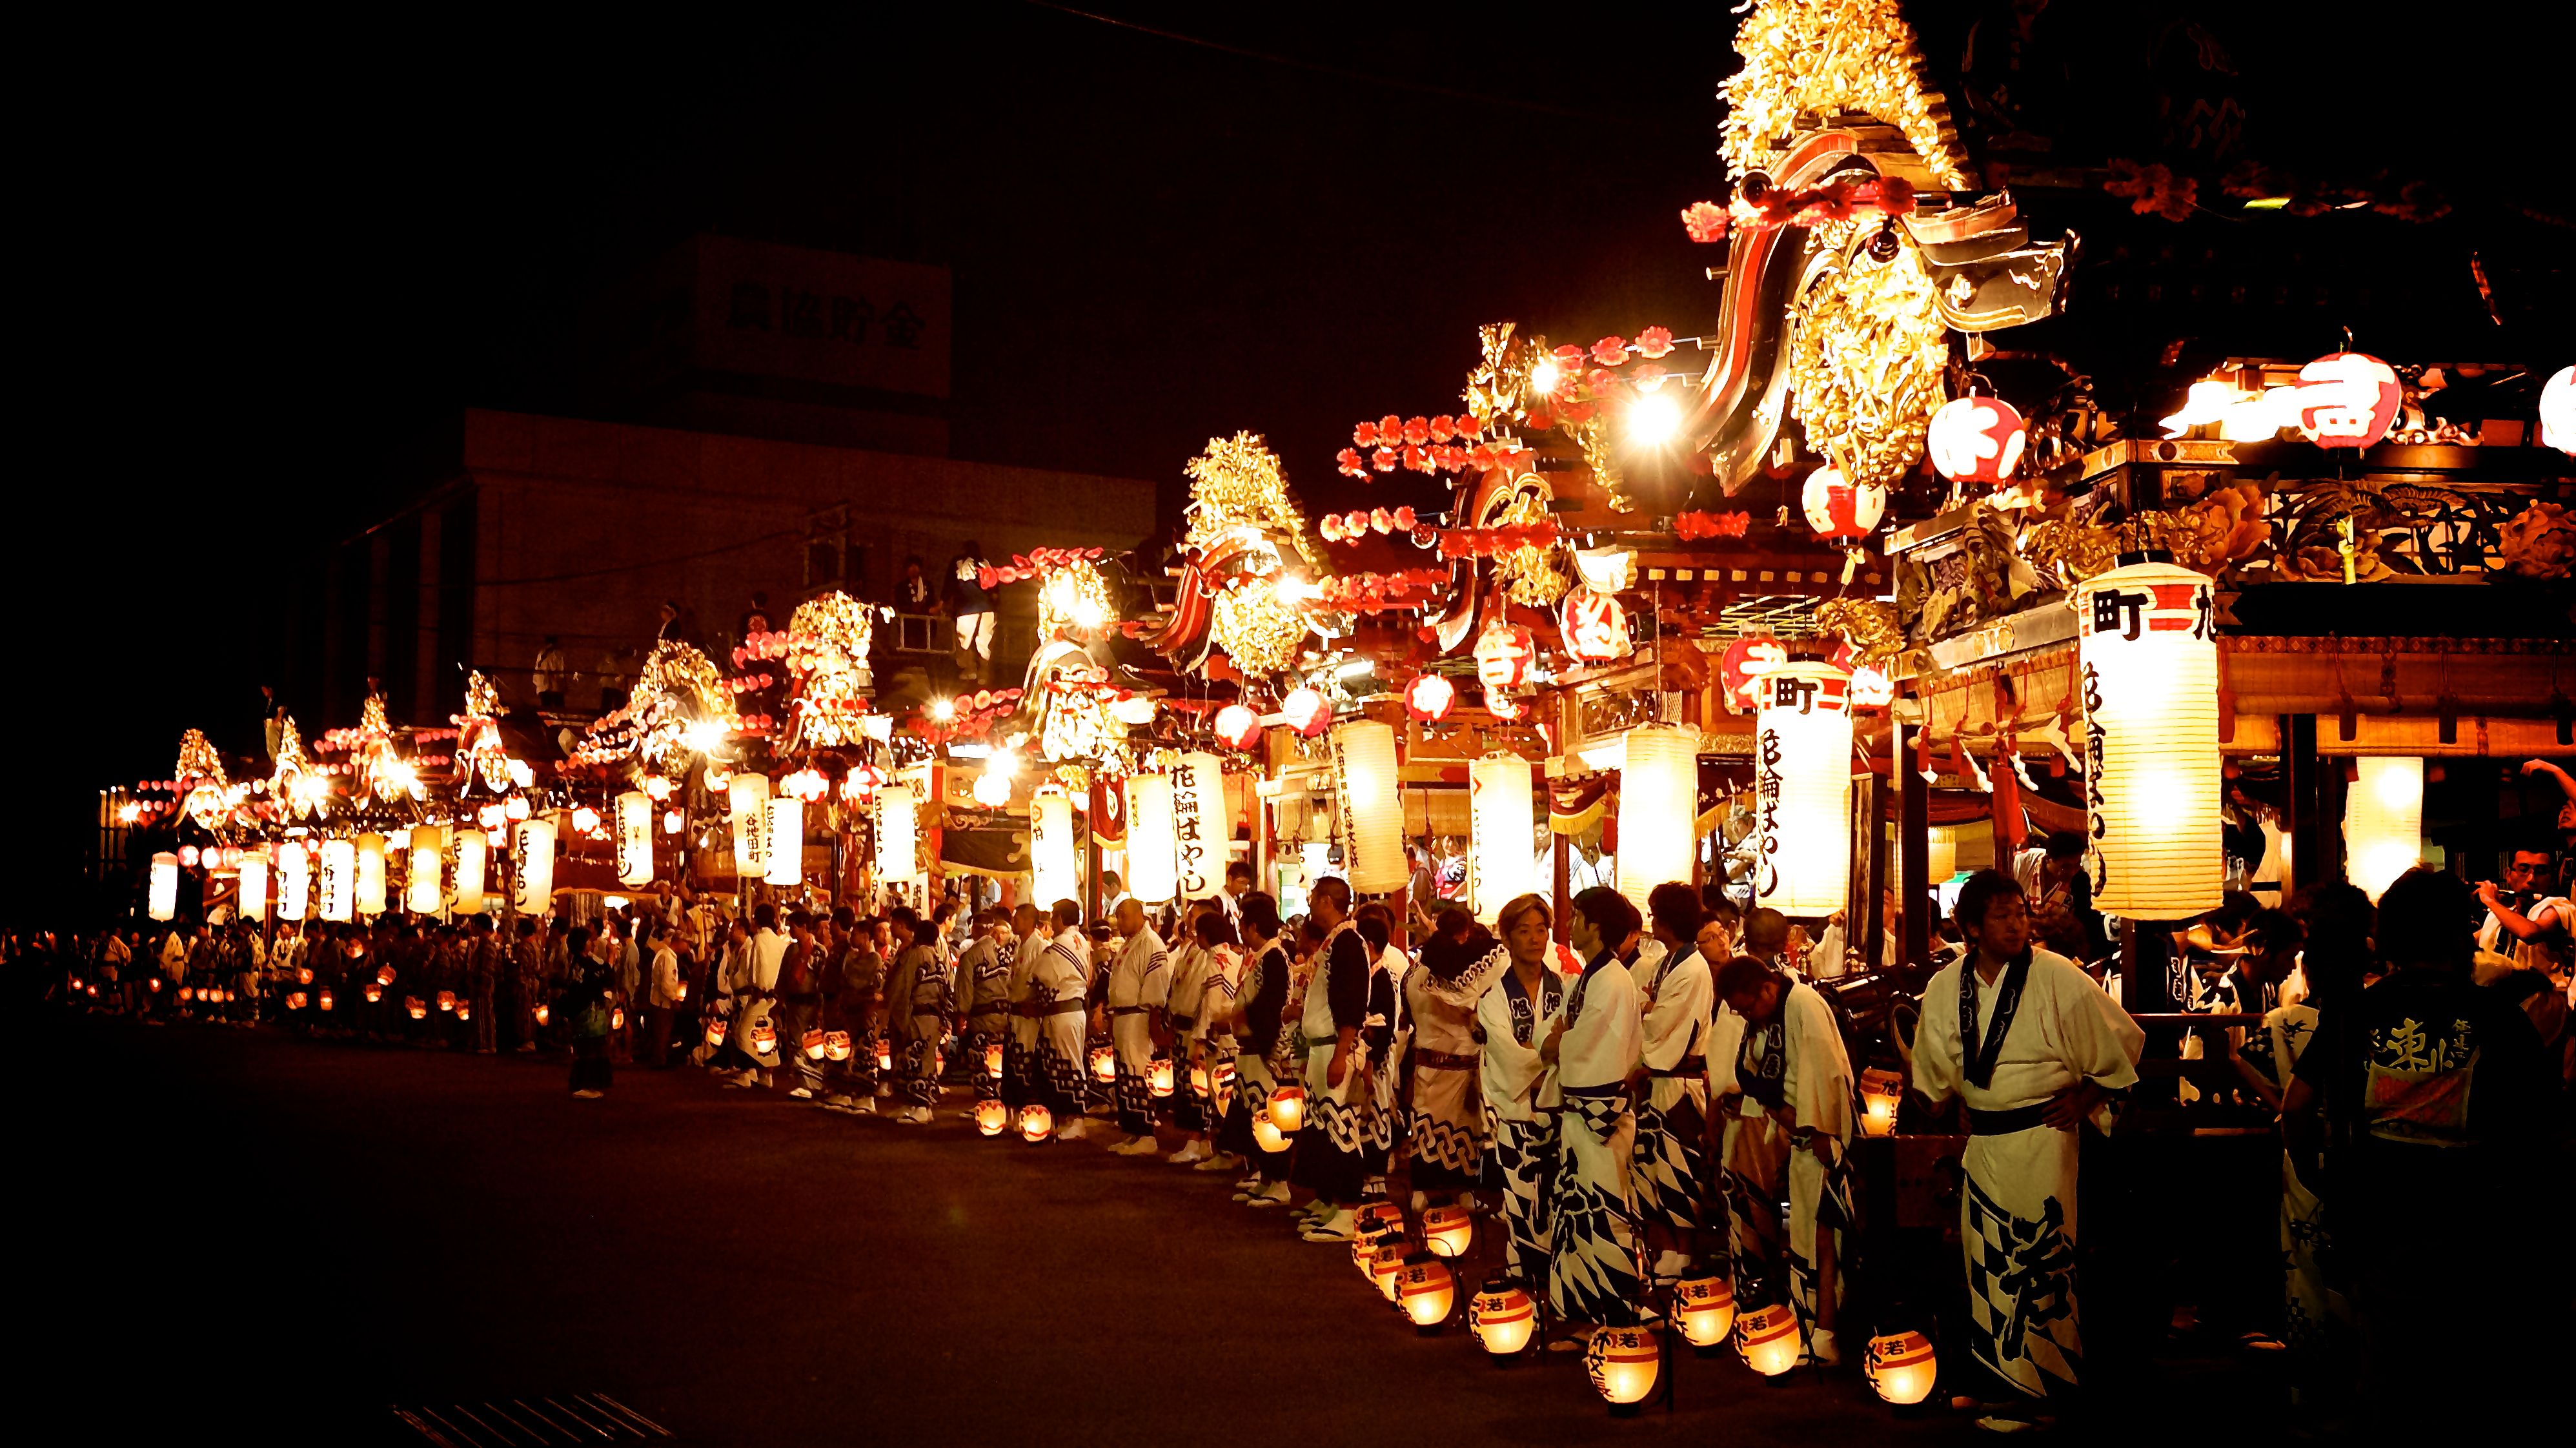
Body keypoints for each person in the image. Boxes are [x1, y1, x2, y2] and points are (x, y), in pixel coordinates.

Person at [2281, 867, 2551, 1430]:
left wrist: (2318, 1178)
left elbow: (2297, 1108)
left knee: (2385, 1362)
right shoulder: (2498, 1016)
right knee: (2468, 1367)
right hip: (2477, 1215)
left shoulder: (2353, 1011)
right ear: (2460, 934)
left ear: (2388, 940)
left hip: (2377, 1211)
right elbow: (2543, 1118)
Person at [1910, 869, 2144, 1429]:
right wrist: (1951, 1101)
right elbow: (1933, 1076)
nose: (2016, 924)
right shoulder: (1948, 984)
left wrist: (2084, 1096)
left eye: (2020, 913)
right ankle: (2000, 1383)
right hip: (1985, 1142)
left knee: (2041, 1261)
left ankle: (2048, 1389)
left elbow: (2121, 1042)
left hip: (2045, 1137)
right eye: (2001, 915)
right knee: (1987, 1263)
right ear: (1970, 927)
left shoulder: (2055, 973)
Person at [2231, 884, 2368, 1397]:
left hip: (2310, 1152)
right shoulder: (2372, 1011)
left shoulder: (2288, 1020)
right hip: (2375, 1157)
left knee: (2307, 1264)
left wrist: (2289, 1130)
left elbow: (2251, 1066)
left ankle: (2314, 1376)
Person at [1710, 950, 1857, 1364]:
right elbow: (1756, 1076)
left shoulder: (1803, 1005)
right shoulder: (1773, 1012)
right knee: (1804, 1234)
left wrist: (1823, 1132)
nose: (1749, 1016)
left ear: (1767, 987)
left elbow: (1825, 1073)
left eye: (1749, 1006)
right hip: (1799, 1136)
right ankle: (1808, 1323)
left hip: (1824, 1138)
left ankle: (1825, 1331)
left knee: (1824, 1234)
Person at [1539, 886, 1648, 1335]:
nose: (1570, 924)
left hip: (1598, 1114)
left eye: (1577, 916)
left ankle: (1614, 1311)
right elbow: (1559, 1034)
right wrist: (1559, 1038)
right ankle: (1581, 1310)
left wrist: (1558, 1040)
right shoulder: (1591, 976)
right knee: (1576, 1212)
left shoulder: (1611, 979)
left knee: (1601, 1213)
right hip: (1582, 1114)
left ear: (1596, 925)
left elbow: (1575, 1041)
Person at [1630, 882, 1716, 1280]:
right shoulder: (1669, 961)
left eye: (1654, 913)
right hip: (1659, 1079)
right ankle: (1665, 1247)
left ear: (1666, 920)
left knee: (1679, 1170)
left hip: (1677, 1080)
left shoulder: (1692, 968)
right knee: (1653, 1169)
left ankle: (1683, 1250)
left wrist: (1642, 1016)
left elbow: (1662, 1023)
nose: (1651, 920)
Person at [1292, 878, 1380, 1241]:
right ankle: (1330, 1200)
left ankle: (1347, 1210)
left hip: (1335, 1046)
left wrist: (1342, 1053)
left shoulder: (1348, 942)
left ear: (1327, 901)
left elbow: (1352, 1004)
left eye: (1315, 898)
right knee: (1324, 1130)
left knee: (1342, 1129)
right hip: (1322, 1046)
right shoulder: (1335, 941)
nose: (1311, 904)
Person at [1406, 908, 1497, 1205]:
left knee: (1426, 1126)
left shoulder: (1415, 972)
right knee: (1459, 1130)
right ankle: (1463, 1193)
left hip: (1428, 1060)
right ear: (1466, 933)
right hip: (1456, 1061)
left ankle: (1421, 1192)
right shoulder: (1466, 976)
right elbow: (1474, 1011)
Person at [1223, 893, 1295, 1206]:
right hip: (1250, 1048)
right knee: (1253, 1116)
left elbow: (1271, 1006)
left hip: (1264, 1049)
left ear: (1252, 926)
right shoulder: (1262, 956)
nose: (1239, 929)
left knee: (1267, 1117)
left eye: (1242, 923)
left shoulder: (1274, 957)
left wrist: (1267, 1048)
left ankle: (1279, 1182)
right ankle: (1265, 1177)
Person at [1100, 898, 1171, 1155]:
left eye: (1125, 916)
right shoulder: (1130, 944)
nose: (1120, 922)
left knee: (1137, 1072)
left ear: (1140, 915)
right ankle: (1133, 1131)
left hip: (1138, 1016)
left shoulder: (1151, 943)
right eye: (1118, 916)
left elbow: (1156, 984)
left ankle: (1145, 1133)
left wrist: (1153, 1016)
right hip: (1123, 1016)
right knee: (1125, 1074)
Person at [1028, 899, 1095, 1140]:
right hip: (1073, 1009)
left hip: (1064, 1010)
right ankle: (1070, 1118)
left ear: (1061, 919)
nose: (1052, 921)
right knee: (1068, 1063)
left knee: (1070, 1065)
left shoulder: (1059, 944)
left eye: (1054, 916)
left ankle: (1077, 1119)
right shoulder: (1082, 942)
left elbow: (1040, 976)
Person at [885, 907, 951, 1125]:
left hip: (918, 1015)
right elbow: (946, 990)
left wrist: (899, 1017)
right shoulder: (938, 957)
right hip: (932, 1016)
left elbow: (903, 989)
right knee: (920, 1060)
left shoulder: (916, 955)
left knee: (918, 1060)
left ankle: (922, 1107)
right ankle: (912, 1104)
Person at [953, 908, 1017, 1110]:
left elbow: (964, 992)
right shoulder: (1009, 954)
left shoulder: (971, 955)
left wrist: (961, 1017)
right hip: (1006, 1018)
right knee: (1002, 1063)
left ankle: (986, 1107)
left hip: (982, 1018)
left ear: (974, 931)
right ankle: (1003, 1105)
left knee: (981, 1062)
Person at [559, 927, 616, 1099]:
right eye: (589, 941)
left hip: (586, 1012)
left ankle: (587, 1084)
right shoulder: (582, 964)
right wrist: (611, 957)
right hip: (587, 1013)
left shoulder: (581, 961)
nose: (592, 943)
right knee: (589, 1048)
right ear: (583, 944)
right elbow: (605, 977)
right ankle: (583, 1085)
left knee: (591, 1047)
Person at [945, 542, 995, 685]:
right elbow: (994, 587)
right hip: (988, 608)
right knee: (984, 641)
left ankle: (969, 670)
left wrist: (943, 601)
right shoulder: (986, 563)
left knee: (964, 640)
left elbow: (949, 583)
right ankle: (984, 673)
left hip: (967, 608)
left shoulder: (958, 562)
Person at [532, 636, 567, 711]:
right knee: (560, 710)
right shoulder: (557, 654)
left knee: (545, 709)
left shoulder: (541, 654)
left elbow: (537, 671)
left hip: (543, 686)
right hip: (555, 687)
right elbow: (561, 671)